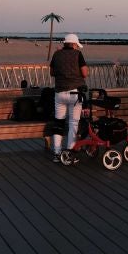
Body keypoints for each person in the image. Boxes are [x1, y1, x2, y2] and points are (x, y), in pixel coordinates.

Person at [49, 33, 89, 163]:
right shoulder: (78, 54)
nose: (77, 47)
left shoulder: (57, 54)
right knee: (73, 123)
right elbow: (85, 73)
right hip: (75, 93)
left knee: (58, 122)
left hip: (59, 92)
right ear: (74, 44)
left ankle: (57, 153)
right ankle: (70, 153)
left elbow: (52, 72)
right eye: (77, 45)